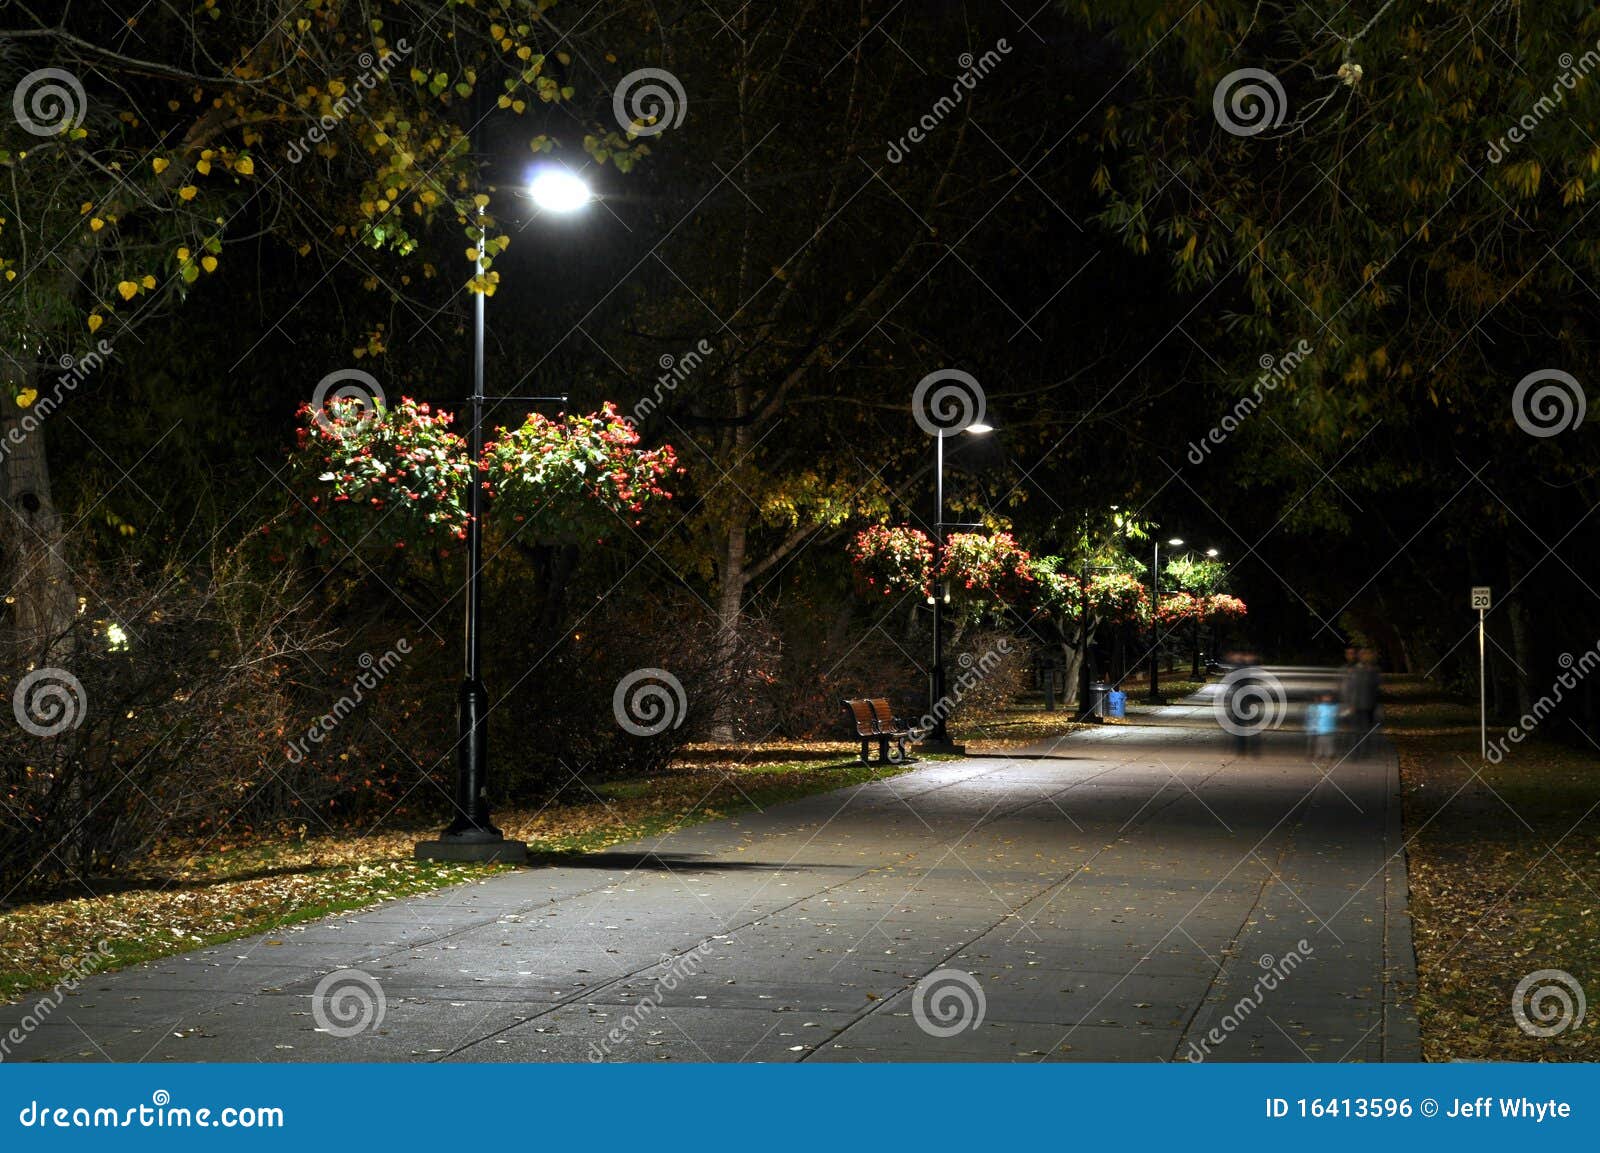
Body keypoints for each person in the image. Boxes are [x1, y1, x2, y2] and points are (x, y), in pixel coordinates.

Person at [1306, 692, 1338, 759]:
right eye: (1325, 697)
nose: (1327, 699)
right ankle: (1320, 754)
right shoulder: (1319, 707)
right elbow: (1313, 716)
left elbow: (1336, 714)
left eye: (1328, 697)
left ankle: (1329, 754)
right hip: (1321, 729)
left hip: (1330, 729)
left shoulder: (1333, 707)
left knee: (1329, 742)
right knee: (1321, 742)